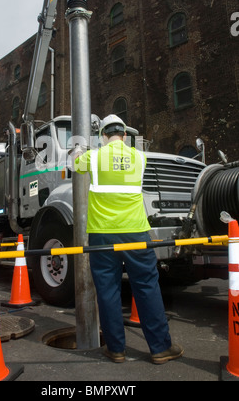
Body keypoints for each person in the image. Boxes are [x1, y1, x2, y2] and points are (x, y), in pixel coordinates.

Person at [73, 114, 183, 364]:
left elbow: (75, 164)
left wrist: (79, 147)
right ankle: (159, 349)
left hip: (102, 234)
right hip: (136, 232)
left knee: (108, 290)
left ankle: (116, 349)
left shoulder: (94, 157)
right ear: (124, 135)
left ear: (103, 136)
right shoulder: (139, 158)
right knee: (146, 286)